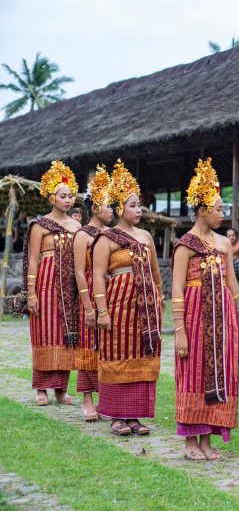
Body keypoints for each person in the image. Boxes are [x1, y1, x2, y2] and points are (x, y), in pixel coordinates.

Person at [172, 158, 239, 460]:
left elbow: (233, 288)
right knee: (194, 373)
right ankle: (190, 442)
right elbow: (176, 289)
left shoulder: (225, 243)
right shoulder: (186, 244)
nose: (223, 214)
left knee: (219, 373)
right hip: (195, 316)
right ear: (202, 212)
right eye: (219, 209)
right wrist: (180, 331)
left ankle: (208, 439)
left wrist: (235, 325)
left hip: (222, 316)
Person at [92, 160, 164, 436]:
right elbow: (98, 276)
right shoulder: (106, 238)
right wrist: (102, 311)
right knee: (117, 354)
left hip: (145, 309)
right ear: (120, 208)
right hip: (118, 306)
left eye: (140, 204)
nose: (139, 209)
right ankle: (116, 417)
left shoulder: (146, 237)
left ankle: (135, 417)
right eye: (133, 205)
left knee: (141, 356)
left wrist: (159, 299)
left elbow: (156, 275)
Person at [24, 160, 81, 406]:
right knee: (44, 333)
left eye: (70, 196)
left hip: (69, 288)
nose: (67, 200)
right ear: (52, 198)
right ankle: (41, 388)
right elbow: (33, 260)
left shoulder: (77, 226)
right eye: (62, 196)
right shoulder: (40, 226)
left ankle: (60, 389)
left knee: (66, 335)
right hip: (45, 285)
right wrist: (31, 293)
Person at [73, 166, 113, 421]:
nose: (113, 210)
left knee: (107, 344)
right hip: (89, 292)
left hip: (109, 292)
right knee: (89, 344)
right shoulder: (83, 235)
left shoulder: (110, 234)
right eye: (109, 205)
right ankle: (87, 397)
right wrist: (88, 306)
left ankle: (107, 398)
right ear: (96, 207)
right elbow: (78, 272)